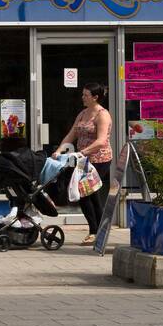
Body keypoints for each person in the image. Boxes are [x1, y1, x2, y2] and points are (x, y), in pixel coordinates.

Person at [56, 82, 114, 246]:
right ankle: (98, 232)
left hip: (99, 159)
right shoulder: (83, 113)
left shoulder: (102, 115)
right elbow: (72, 134)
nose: (82, 97)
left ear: (95, 97)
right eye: (83, 95)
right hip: (83, 159)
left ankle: (95, 231)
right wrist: (59, 150)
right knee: (90, 194)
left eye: (86, 95)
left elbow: (102, 141)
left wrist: (82, 152)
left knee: (84, 192)